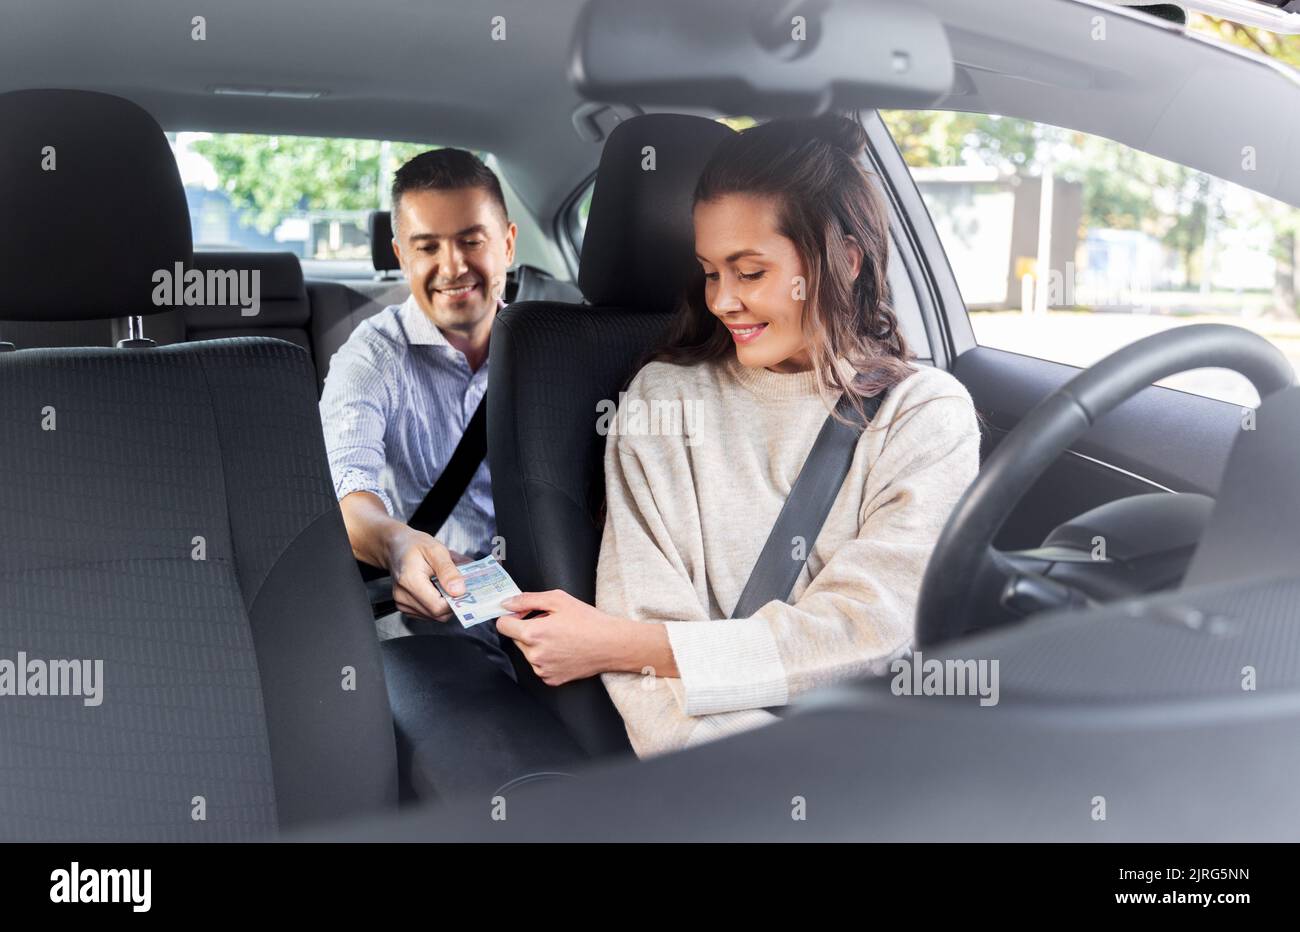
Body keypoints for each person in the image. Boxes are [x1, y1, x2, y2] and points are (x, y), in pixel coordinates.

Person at [496, 114, 982, 757]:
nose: (723, 301)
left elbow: (873, 634)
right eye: (709, 271)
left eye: (749, 272)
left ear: (845, 261)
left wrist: (626, 644)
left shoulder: (924, 414)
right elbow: (650, 685)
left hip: (889, 762)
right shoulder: (661, 403)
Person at [319, 148, 516, 660]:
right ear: (401, 255)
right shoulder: (368, 357)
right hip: (427, 609)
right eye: (427, 247)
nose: (452, 267)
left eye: (471, 241)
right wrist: (396, 543)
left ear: (509, 243)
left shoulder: (551, 346)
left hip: (547, 603)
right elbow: (346, 492)